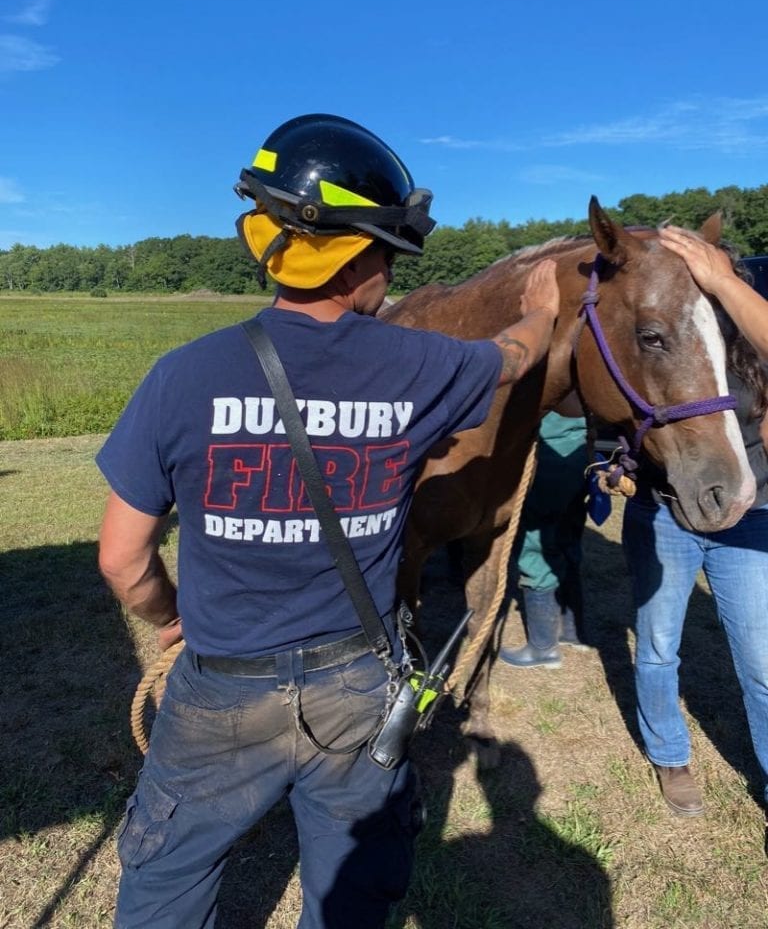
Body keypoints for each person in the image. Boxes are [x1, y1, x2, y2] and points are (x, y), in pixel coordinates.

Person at [96, 113, 560, 929]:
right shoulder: (422, 365)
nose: (389, 271)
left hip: (220, 684)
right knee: (350, 891)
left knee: (167, 879)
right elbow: (515, 358)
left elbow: (122, 556)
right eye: (385, 250)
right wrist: (544, 311)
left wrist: (170, 618)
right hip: (355, 681)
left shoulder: (182, 376)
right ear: (356, 256)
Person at [622, 225, 768, 825]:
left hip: (751, 517)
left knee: (761, 663)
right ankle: (669, 755)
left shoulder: (741, 326)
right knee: (658, 647)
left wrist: (725, 282)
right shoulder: (668, 335)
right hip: (664, 512)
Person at [498, 411, 591, 669]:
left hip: (548, 455)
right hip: (578, 451)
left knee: (534, 546)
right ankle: (573, 631)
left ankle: (542, 647)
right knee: (567, 539)